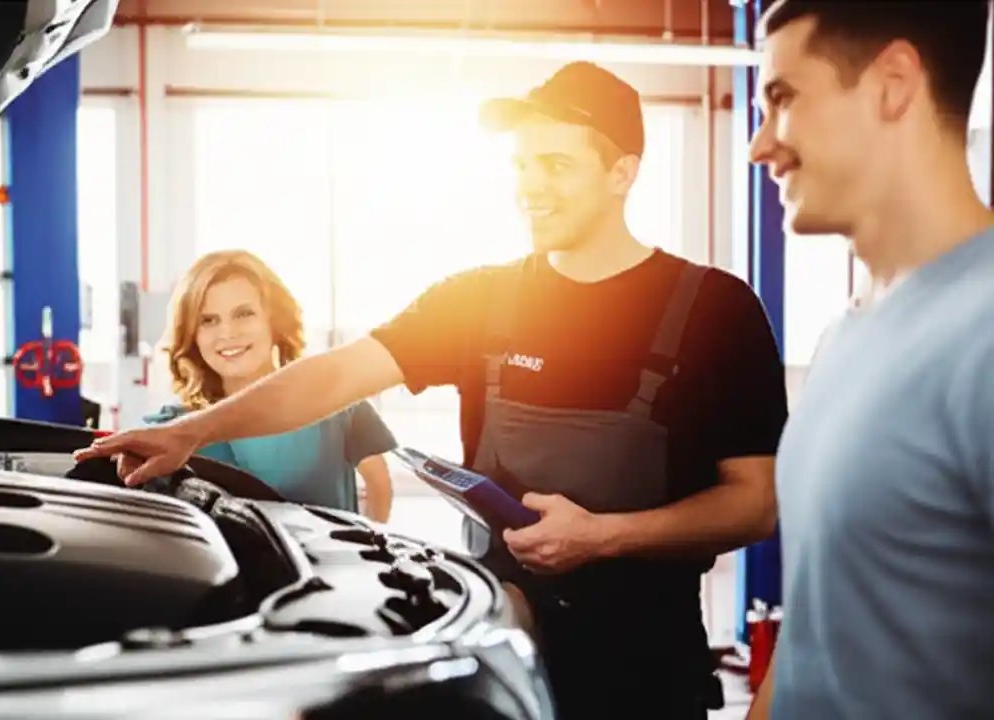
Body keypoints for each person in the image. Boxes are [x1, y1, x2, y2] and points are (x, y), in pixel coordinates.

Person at [77, 62, 788, 718]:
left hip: (644, 676)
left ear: (622, 172)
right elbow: (333, 374)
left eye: (557, 164)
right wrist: (191, 430)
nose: (530, 185)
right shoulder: (479, 298)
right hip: (497, 653)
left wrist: (604, 537)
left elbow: (755, 503)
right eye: (520, 164)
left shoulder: (714, 312)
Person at [742, 2, 994, 719]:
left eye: (782, 99)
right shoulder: (845, 337)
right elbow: (818, 629)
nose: (761, 145)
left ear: (893, 82)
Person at [136, 249, 396, 522]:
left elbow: (380, 486)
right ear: (193, 335)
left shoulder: (337, 404)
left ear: (274, 321)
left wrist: (367, 555)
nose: (227, 333)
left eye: (244, 314)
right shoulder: (173, 427)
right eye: (208, 320)